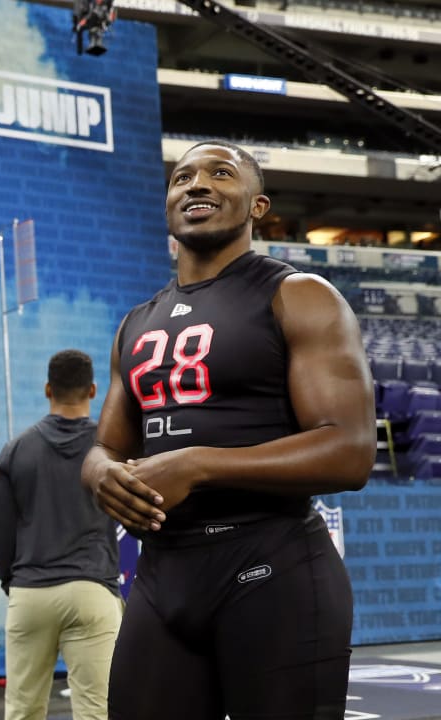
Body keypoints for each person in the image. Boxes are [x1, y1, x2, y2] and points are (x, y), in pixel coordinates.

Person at [82, 140, 374, 720]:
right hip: (163, 575)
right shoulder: (136, 322)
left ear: (257, 205)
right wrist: (100, 474)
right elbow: (106, 447)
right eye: (182, 177)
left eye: (220, 173)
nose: (197, 184)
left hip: (272, 565)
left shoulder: (300, 296)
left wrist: (197, 463)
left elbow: (350, 451)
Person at [0, 349, 121, 720]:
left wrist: (12, 583)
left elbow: (0, 530)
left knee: (22, 713)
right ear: (93, 390)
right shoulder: (111, 451)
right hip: (92, 591)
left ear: (48, 389)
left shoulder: (15, 451)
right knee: (96, 713)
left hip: (31, 592)